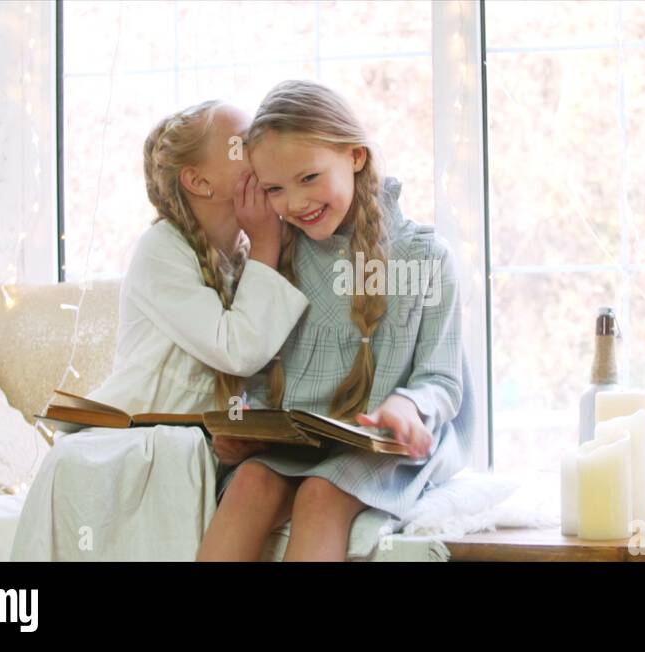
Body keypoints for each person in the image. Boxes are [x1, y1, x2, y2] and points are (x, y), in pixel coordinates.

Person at [10, 101, 307, 560]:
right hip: (139, 426)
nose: (257, 147)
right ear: (198, 181)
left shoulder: (242, 252)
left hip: (210, 435)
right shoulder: (160, 250)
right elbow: (238, 350)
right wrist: (267, 244)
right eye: (240, 143)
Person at [196, 80, 474, 562]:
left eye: (309, 178)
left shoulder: (425, 257)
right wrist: (242, 428)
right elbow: (258, 372)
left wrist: (408, 407)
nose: (295, 203)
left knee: (321, 495)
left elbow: (442, 381)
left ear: (356, 157)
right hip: (301, 443)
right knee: (251, 485)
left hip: (384, 448)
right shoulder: (276, 257)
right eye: (275, 189)